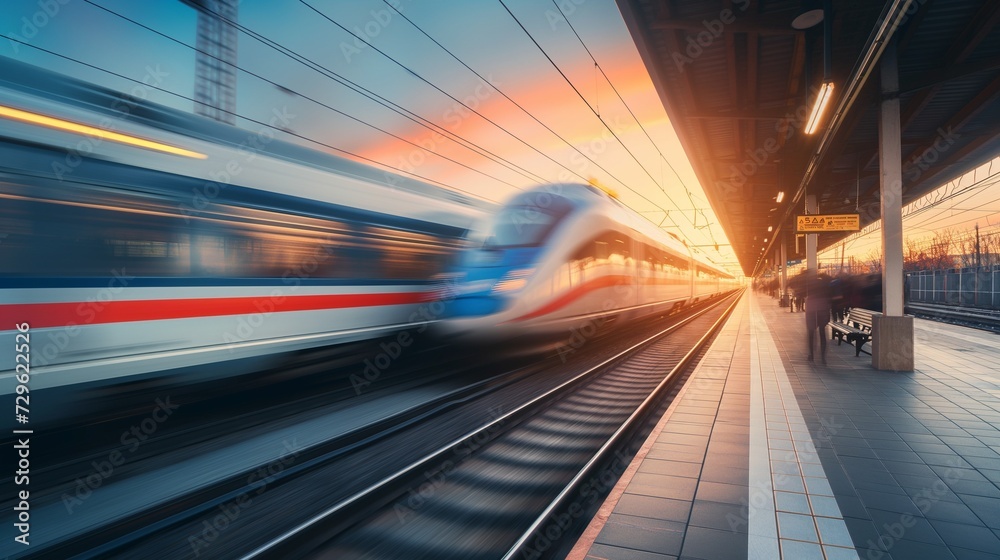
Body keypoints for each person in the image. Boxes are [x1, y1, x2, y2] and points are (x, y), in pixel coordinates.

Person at [804, 269, 832, 363]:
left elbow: (805, 296)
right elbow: (829, 298)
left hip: (811, 310)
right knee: (822, 332)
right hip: (823, 310)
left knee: (811, 333)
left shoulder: (809, 285)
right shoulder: (825, 284)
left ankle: (811, 355)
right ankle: (823, 357)